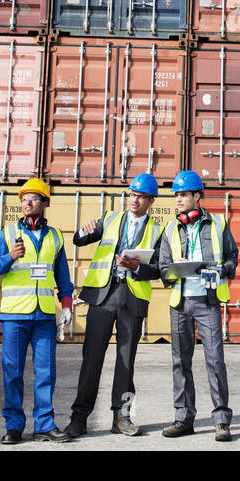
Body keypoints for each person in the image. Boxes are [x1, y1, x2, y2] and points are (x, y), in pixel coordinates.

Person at [63, 173, 165, 438]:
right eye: (132, 194)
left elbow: (159, 271)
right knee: (91, 358)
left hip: (131, 298)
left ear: (151, 201)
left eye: (141, 196)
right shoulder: (110, 219)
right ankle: (79, 418)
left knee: (125, 362)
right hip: (103, 296)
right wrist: (82, 230)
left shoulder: (158, 231)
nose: (135, 200)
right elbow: (79, 240)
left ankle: (122, 417)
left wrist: (137, 267)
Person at [0, 178, 74, 444]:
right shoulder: (8, 234)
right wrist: (9, 257)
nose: (27, 202)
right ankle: (14, 427)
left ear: (45, 203)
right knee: (12, 372)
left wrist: (67, 306)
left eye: (33, 198)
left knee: (46, 372)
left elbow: (64, 277)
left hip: (44, 315)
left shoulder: (56, 237)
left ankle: (44, 425)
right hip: (14, 316)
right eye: (24, 198)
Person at [156, 169, 238, 442]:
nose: (178, 199)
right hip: (180, 303)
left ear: (197, 197)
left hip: (207, 301)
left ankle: (222, 421)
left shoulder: (218, 224)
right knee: (180, 362)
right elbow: (163, 267)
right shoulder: (169, 229)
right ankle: (183, 418)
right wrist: (173, 271)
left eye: (183, 195)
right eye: (176, 195)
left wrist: (222, 271)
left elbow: (232, 258)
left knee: (215, 361)